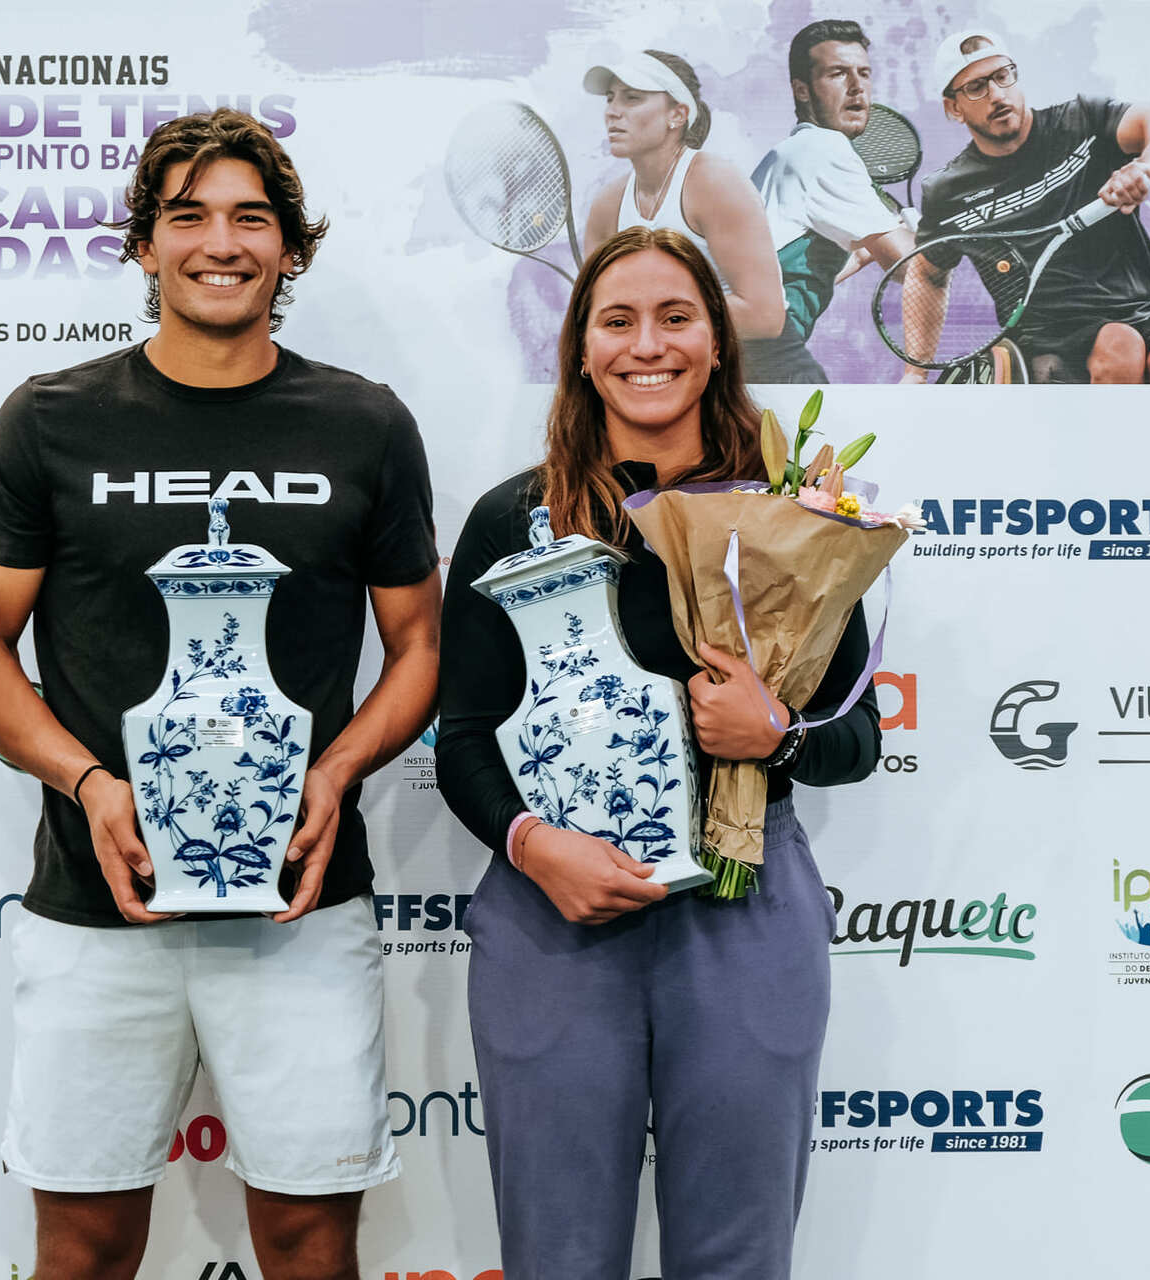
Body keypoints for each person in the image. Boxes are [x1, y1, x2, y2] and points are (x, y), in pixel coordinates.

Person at [0, 108, 440, 1280]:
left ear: (292, 249)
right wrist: (90, 783)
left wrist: (334, 772)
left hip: (301, 909)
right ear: (146, 245)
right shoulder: (50, 419)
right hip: (96, 901)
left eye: (251, 217)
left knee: (312, 1240)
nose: (222, 241)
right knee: (84, 1241)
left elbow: (417, 645)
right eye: (189, 216)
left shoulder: (364, 423)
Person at [435, 226, 882, 1278]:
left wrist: (777, 736)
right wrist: (536, 846)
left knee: (737, 1250)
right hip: (554, 912)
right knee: (556, 1251)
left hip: (744, 903)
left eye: (677, 317)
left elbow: (856, 735)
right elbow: (461, 737)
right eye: (618, 320)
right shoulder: (517, 516)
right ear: (582, 350)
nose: (650, 344)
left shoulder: (793, 512)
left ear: (718, 342)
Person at [902, 29, 1150, 383]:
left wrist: (1149, 166)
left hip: (1145, 309)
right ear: (953, 108)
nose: (996, 94)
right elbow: (927, 274)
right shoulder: (949, 191)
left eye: (1002, 76)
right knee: (1119, 345)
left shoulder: (1083, 121)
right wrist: (915, 373)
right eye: (976, 87)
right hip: (1047, 333)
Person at [745, 19, 916, 382]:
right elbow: (911, 268)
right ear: (802, 90)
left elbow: (795, 269)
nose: (857, 88)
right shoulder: (826, 147)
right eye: (838, 74)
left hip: (731, 347)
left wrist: (870, 250)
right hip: (765, 348)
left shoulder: (783, 157)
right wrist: (920, 242)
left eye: (864, 73)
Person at [583, 50, 788, 346]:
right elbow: (599, 317)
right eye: (610, 98)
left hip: (757, 364)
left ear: (677, 115)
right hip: (668, 359)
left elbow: (764, 318)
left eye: (632, 98)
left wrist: (645, 313)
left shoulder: (716, 184)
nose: (612, 111)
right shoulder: (607, 206)